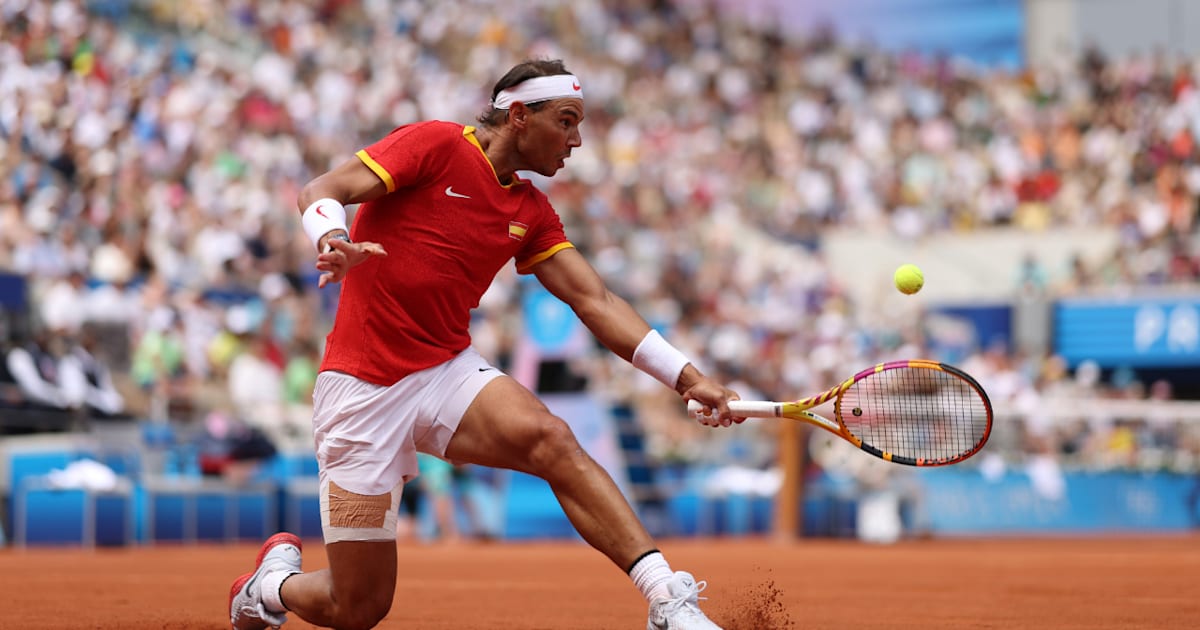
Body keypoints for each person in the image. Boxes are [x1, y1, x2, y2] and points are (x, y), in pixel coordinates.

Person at [228, 59, 744, 630]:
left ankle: (666, 599)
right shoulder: (436, 144)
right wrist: (333, 237)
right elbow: (321, 189)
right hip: (360, 390)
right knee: (358, 608)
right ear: (519, 116)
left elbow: (595, 300)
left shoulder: (531, 210)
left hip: (444, 371)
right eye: (566, 121)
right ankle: (270, 587)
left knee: (551, 439)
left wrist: (688, 377)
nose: (576, 140)